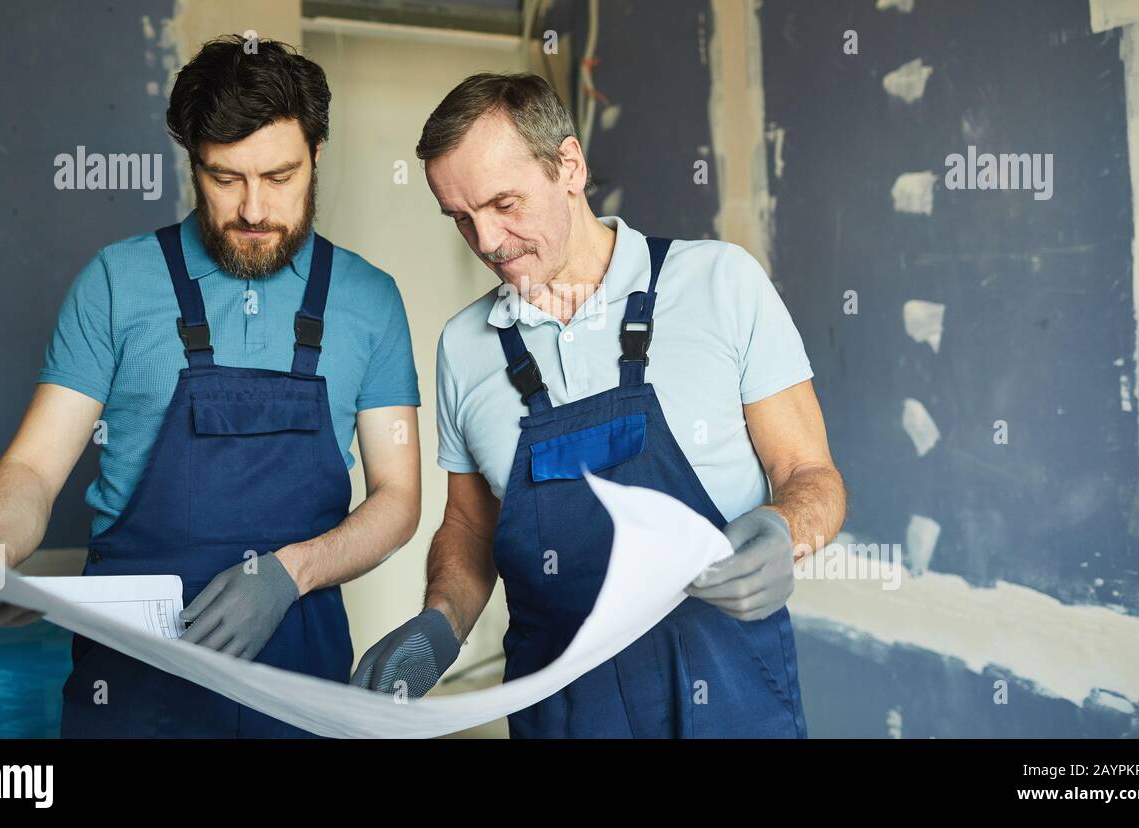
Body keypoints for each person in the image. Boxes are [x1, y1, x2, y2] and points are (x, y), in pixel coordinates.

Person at [0, 35, 422, 738]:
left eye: (280, 177)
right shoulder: (116, 283)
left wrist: (291, 574)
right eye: (225, 178)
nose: (253, 209)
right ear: (192, 161)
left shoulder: (370, 300)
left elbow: (398, 499)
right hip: (133, 693)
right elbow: (32, 468)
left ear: (316, 155)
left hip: (300, 685)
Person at [353, 72, 846, 738]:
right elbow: (471, 529)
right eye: (462, 219)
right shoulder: (465, 349)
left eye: (505, 203)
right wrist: (439, 624)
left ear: (569, 166)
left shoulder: (718, 284)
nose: (489, 241)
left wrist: (786, 532)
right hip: (564, 709)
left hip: (727, 691)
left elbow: (811, 476)